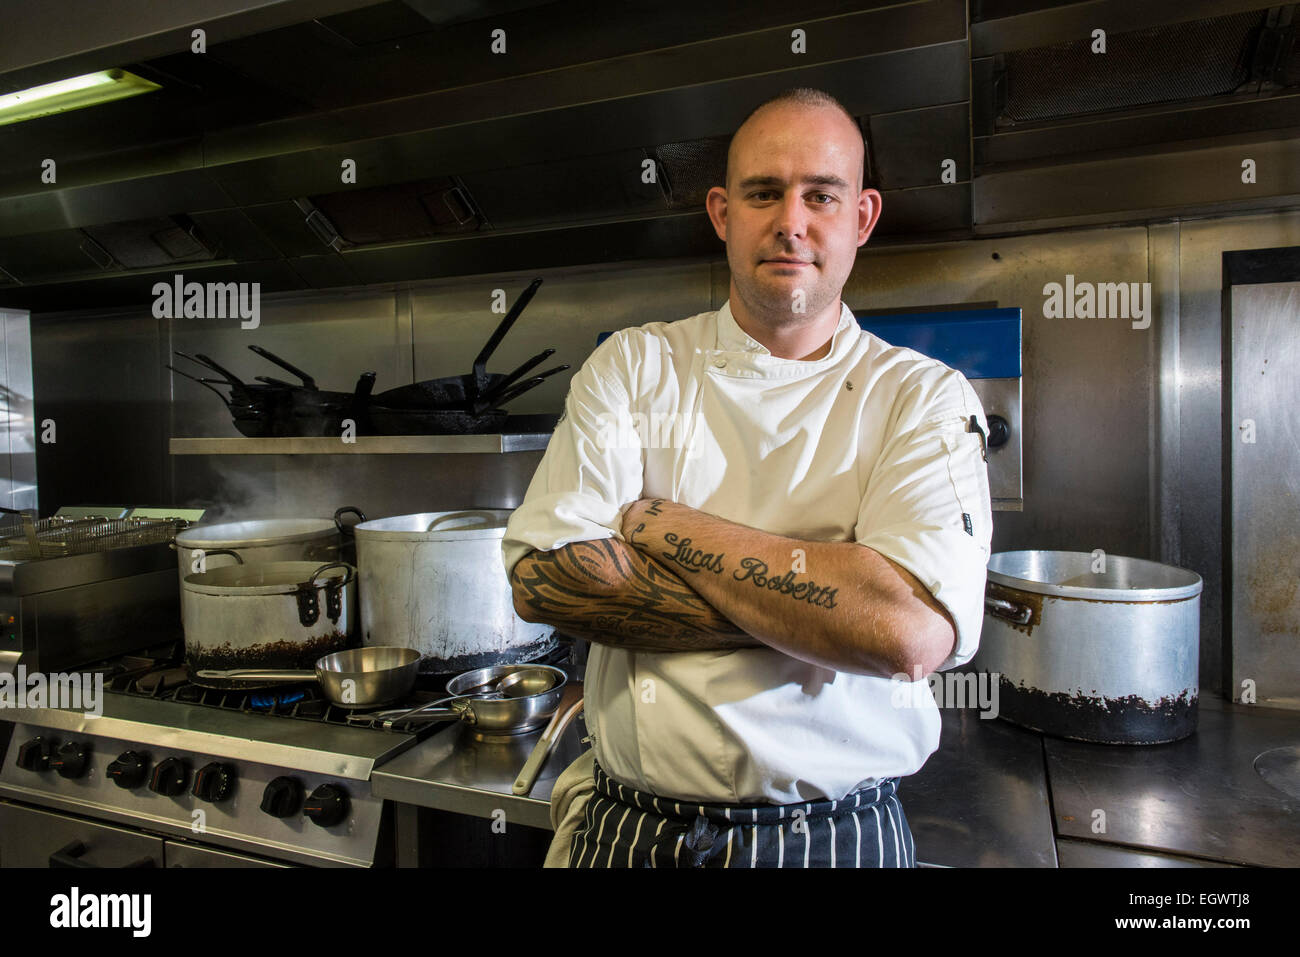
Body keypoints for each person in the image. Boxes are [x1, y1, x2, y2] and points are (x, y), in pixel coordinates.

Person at [501, 87, 992, 868]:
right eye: (764, 193)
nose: (790, 221)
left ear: (860, 218)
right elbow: (548, 580)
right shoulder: (635, 365)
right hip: (634, 826)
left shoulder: (923, 397)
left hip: (837, 835)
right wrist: (830, 616)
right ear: (723, 213)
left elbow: (906, 630)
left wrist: (661, 524)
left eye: (819, 195)